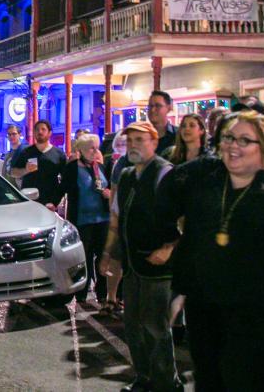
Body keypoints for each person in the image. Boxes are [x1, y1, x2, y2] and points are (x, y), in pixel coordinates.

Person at [149, 111, 264, 389]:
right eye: (229, 137)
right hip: (205, 295)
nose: (234, 146)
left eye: (245, 140)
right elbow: (163, 199)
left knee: (247, 374)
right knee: (208, 373)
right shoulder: (201, 173)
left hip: (260, 301)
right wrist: (173, 241)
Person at [99, 121, 180, 392]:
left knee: (156, 328)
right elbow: (116, 217)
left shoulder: (165, 173)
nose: (133, 145)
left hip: (159, 269)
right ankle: (144, 378)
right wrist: (108, 252)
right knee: (133, 326)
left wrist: (168, 248)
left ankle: (167, 384)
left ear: (154, 143)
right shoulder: (126, 176)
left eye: (140, 140)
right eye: (130, 140)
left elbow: (185, 218)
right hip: (133, 265)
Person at [61, 134, 112, 305]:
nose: (95, 151)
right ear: (80, 150)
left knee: (103, 256)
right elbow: (62, 189)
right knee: (85, 257)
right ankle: (82, 292)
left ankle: (102, 292)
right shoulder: (72, 168)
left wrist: (108, 194)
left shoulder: (100, 168)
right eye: (91, 148)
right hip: (82, 220)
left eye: (96, 147)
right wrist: (52, 202)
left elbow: (110, 188)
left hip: (102, 219)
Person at [10, 120, 68, 211]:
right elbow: (13, 172)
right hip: (29, 200)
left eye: (43, 129)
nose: (40, 132)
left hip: (50, 202)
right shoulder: (26, 152)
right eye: (37, 130)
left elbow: (65, 180)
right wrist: (26, 170)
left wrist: (56, 201)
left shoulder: (59, 154)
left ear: (50, 133)